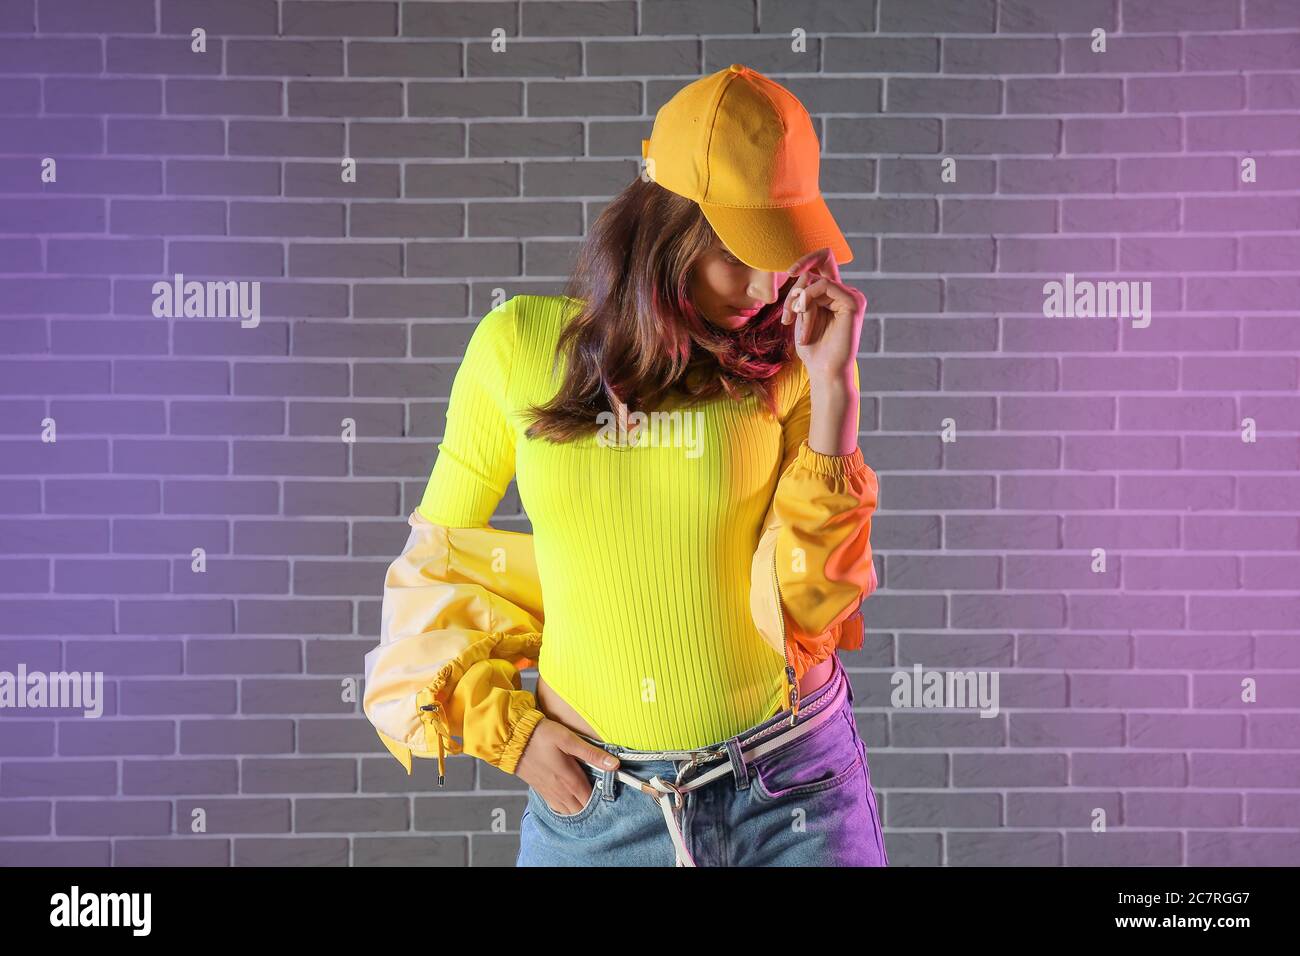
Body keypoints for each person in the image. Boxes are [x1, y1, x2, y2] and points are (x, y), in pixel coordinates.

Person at [363, 64, 886, 867]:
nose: (764, 284)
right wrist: (511, 734)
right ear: (665, 228)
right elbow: (429, 574)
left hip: (788, 792)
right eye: (738, 252)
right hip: (602, 812)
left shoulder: (787, 367)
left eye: (779, 251)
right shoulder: (516, 349)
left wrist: (834, 388)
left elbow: (813, 604)